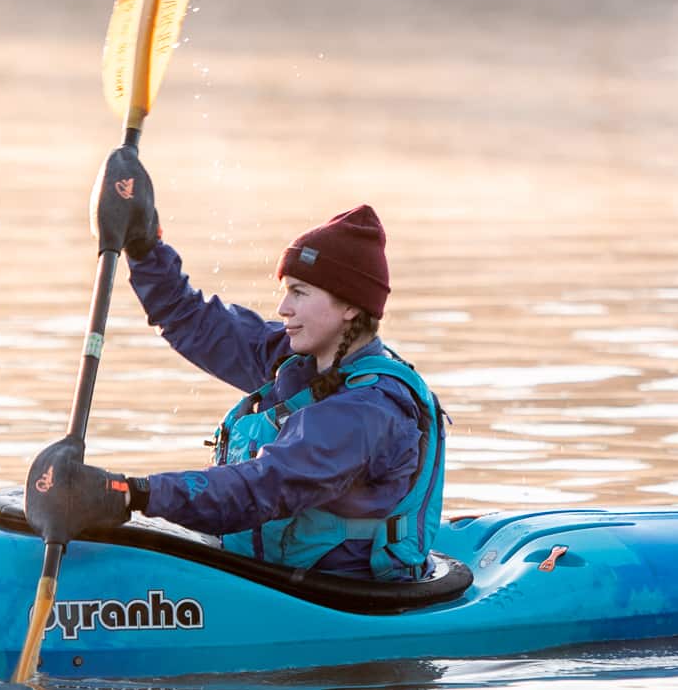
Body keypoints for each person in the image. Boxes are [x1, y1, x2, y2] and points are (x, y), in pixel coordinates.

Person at [25, 146, 447, 580]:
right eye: (285, 291)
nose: (283, 308)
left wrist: (129, 493)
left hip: (343, 598)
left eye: (299, 293)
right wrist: (143, 243)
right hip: (275, 574)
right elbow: (189, 318)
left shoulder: (370, 410)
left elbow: (263, 486)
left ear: (350, 309)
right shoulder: (296, 360)